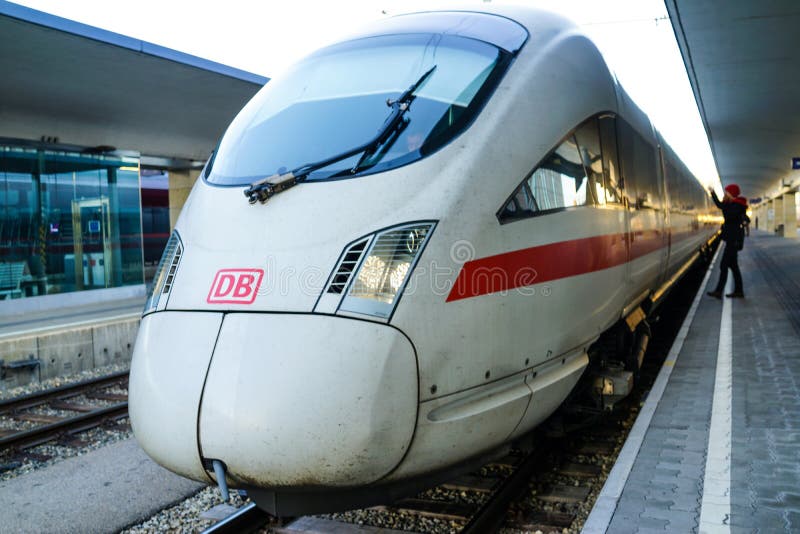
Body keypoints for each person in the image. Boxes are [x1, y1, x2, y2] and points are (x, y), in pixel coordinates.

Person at [707, 184, 750, 299]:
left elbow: (729, 213)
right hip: (732, 239)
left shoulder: (736, 206)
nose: (725, 194)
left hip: (734, 240)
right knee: (733, 266)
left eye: (727, 192)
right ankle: (738, 291)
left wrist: (744, 220)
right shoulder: (732, 205)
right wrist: (712, 192)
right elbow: (720, 205)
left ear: (732, 194)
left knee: (723, 265)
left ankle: (719, 291)